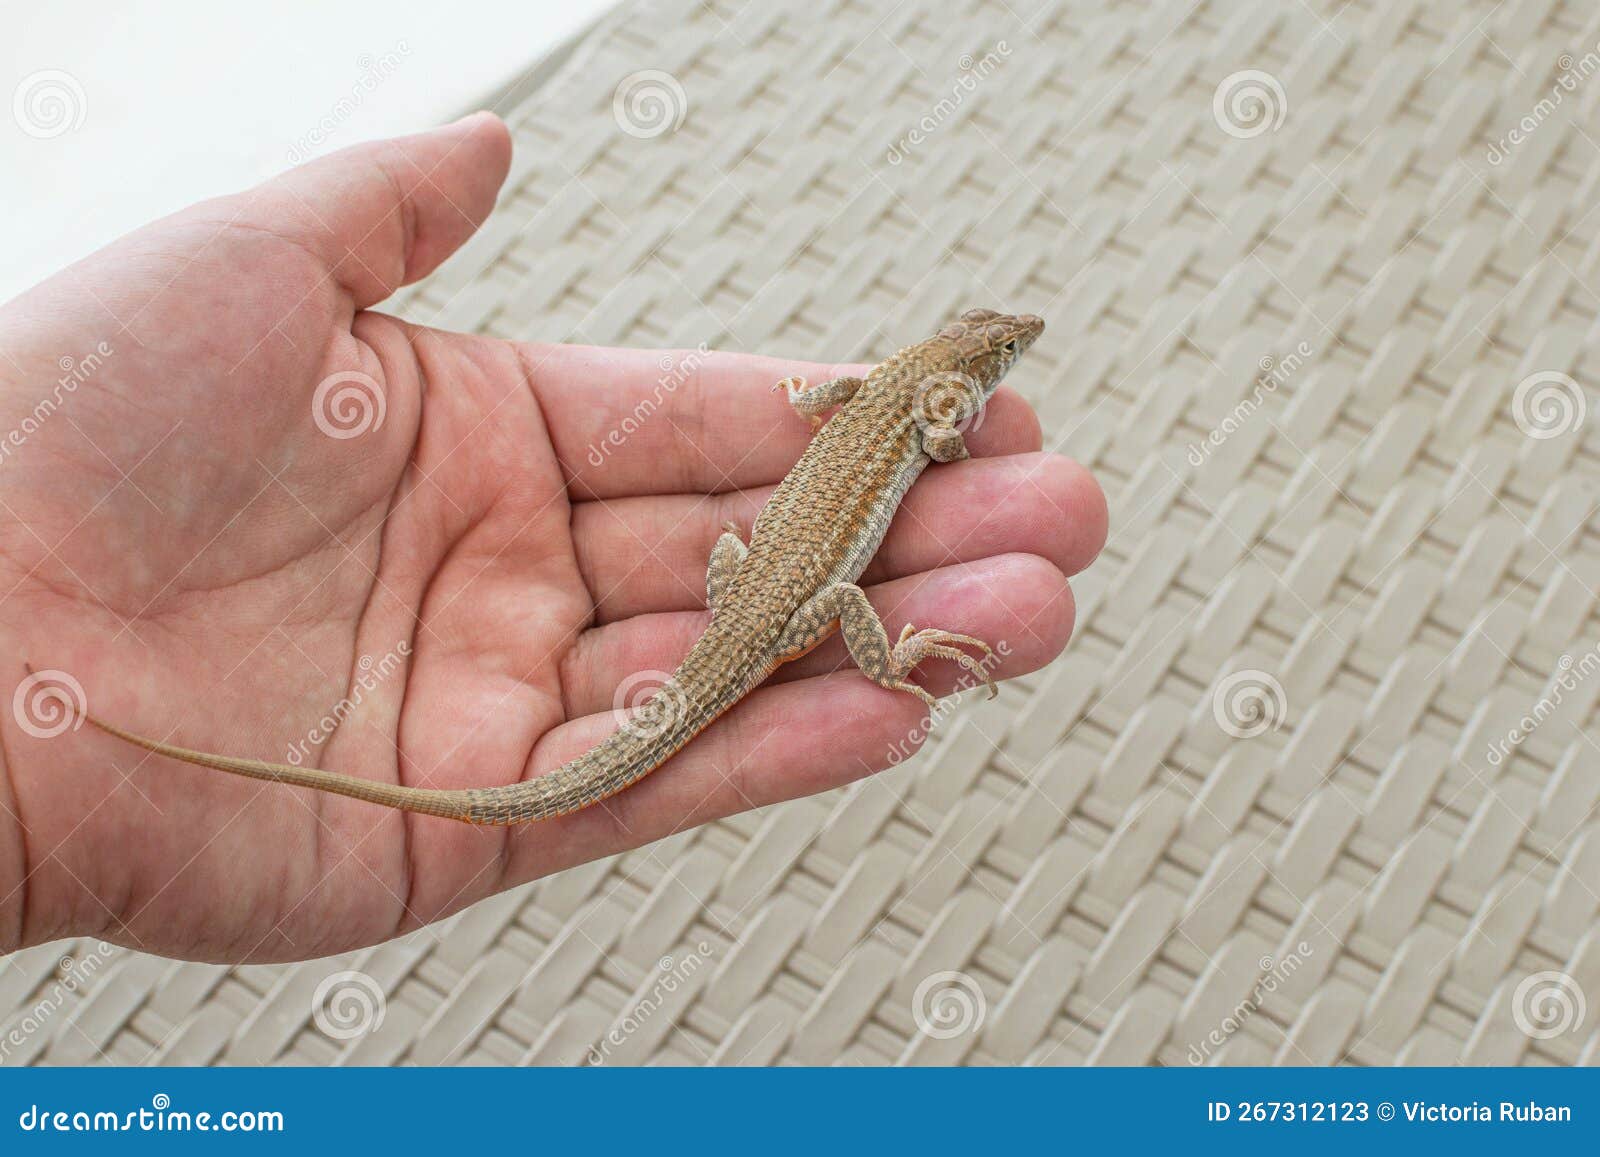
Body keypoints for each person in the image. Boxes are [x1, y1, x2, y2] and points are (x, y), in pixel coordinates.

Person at [0, 112, 1106, 963]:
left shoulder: (876, 398)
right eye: (992, 354)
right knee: (855, 610)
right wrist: (942, 437)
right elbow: (946, 445)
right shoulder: (927, 411)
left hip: (745, 586)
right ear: (956, 373)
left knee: (761, 614)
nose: (1005, 352)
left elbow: (813, 402)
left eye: (997, 349)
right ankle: (893, 655)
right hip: (788, 600)